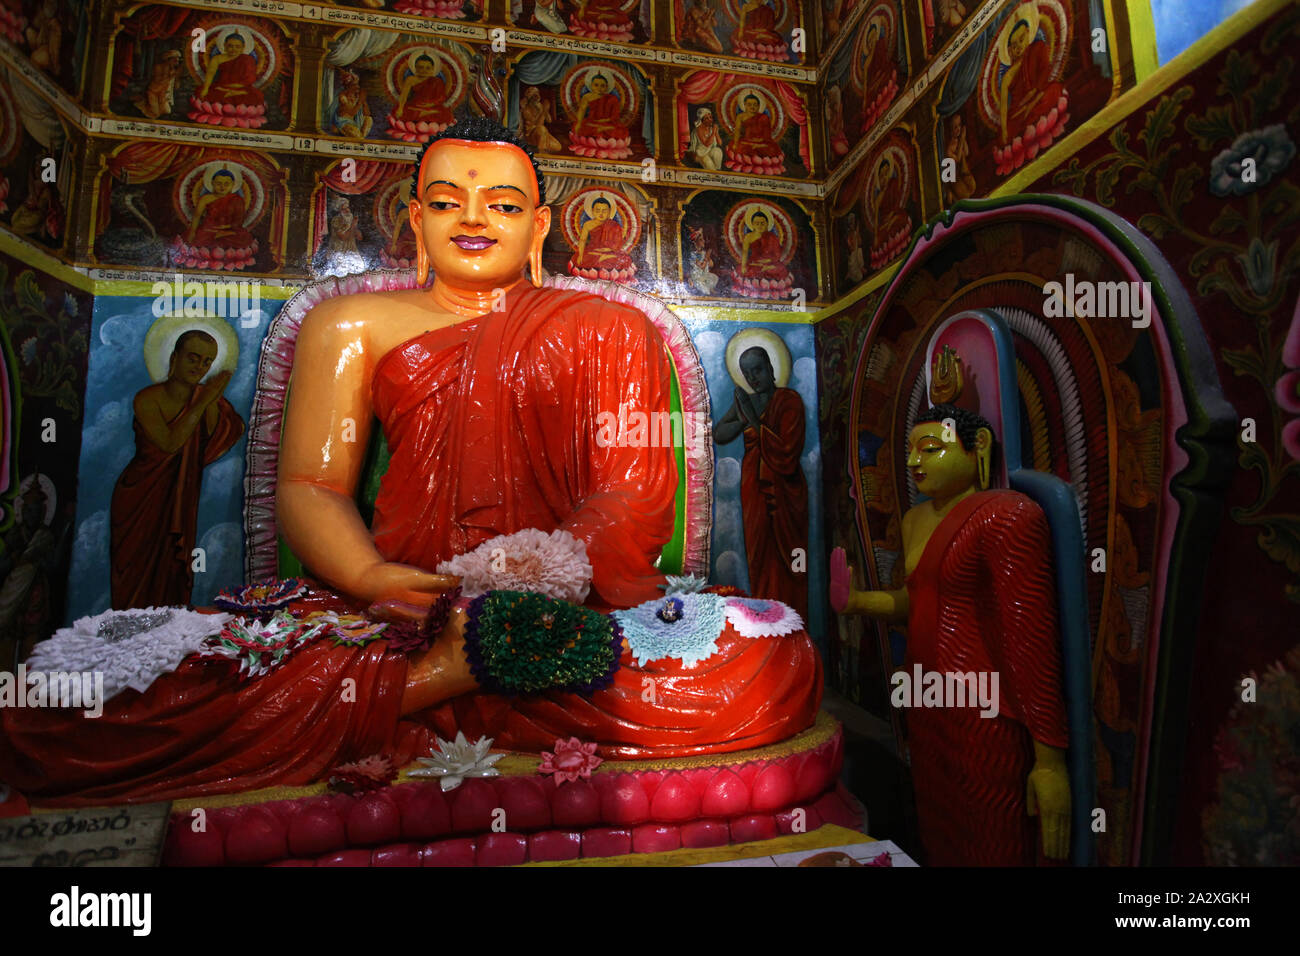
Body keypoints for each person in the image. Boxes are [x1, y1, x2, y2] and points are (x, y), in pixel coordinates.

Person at [0, 119, 820, 805]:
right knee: (66, 698)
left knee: (769, 656)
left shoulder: (611, 329)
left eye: (502, 203)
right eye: (446, 200)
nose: (474, 217)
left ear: (538, 228)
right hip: (399, 607)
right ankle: (453, 673)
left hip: (563, 608)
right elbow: (311, 488)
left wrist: (534, 581)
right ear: (415, 220)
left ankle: (469, 666)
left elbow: (633, 494)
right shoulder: (352, 325)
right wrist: (376, 580)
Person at [830, 405, 1070, 865]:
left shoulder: (1007, 516)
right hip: (926, 699)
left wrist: (1049, 762)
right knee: (938, 824)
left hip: (984, 708)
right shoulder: (916, 520)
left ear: (977, 447)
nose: (916, 463)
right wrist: (858, 602)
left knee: (991, 832)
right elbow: (915, 600)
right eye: (911, 454)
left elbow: (1032, 640)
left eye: (932, 449)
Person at [109, 330, 244, 610]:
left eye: (207, 362)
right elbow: (170, 443)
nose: (199, 367)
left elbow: (217, 439)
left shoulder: (208, 400)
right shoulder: (148, 399)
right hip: (141, 496)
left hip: (181, 497)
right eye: (193, 358)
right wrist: (204, 401)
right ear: (174, 357)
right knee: (136, 571)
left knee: (173, 569)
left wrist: (208, 402)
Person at [714, 346, 808, 618]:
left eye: (757, 369)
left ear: (770, 367)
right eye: (747, 373)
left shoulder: (789, 400)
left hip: (786, 493)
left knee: (791, 561)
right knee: (760, 557)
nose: (753, 378)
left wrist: (751, 419)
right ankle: (766, 619)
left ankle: (792, 622)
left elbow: (788, 453)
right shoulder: (749, 401)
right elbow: (720, 433)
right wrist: (742, 413)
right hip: (754, 488)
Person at [993, 14, 1069, 174]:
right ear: (1009, 50)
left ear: (1028, 33)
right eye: (1013, 46)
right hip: (1019, 113)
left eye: (1021, 40)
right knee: (1003, 134)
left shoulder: (1038, 49)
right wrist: (1006, 131)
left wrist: (1032, 101)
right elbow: (1005, 110)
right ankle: (1030, 132)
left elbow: (1043, 79)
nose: (1018, 47)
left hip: (1039, 99)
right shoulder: (1008, 76)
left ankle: (1029, 133)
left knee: (1054, 90)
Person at [189, 31, 266, 128]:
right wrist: (206, 88)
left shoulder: (247, 60)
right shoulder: (217, 59)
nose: (233, 49)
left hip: (242, 89)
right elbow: (210, 75)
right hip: (220, 87)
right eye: (230, 46)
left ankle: (222, 112)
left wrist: (233, 91)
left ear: (243, 47)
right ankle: (227, 112)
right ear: (224, 46)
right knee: (200, 92)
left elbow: (250, 79)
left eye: (237, 47)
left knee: (257, 96)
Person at [568, 196, 635, 281]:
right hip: (593, 251)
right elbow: (582, 240)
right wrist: (580, 255)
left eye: (604, 211)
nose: (601, 213)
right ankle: (599, 265)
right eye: (598, 210)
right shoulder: (588, 224)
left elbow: (618, 244)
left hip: (610, 252)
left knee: (625, 259)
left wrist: (606, 251)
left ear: (610, 212)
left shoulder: (614, 225)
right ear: (592, 211)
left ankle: (604, 262)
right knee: (578, 258)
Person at [389, 54, 455, 141]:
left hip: (432, 107)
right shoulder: (411, 80)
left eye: (427, 68)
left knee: (445, 114)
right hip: (414, 106)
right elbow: (403, 96)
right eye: (420, 67)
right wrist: (400, 108)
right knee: (398, 111)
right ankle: (424, 118)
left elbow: (441, 97)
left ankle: (421, 118)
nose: (424, 70)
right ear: (415, 68)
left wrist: (430, 104)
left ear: (433, 69)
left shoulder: (437, 81)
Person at [569, 73, 630, 159]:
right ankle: (600, 135)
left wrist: (603, 122)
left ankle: (598, 135)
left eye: (602, 86)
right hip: (592, 122)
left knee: (622, 131)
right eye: (596, 85)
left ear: (607, 87)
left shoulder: (612, 99)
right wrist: (579, 123)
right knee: (578, 126)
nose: (599, 88)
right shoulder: (587, 97)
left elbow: (615, 117)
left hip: (608, 123)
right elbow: (581, 111)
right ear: (591, 85)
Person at [735, 210, 792, 296]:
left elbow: (777, 255)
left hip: (770, 262)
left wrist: (767, 262)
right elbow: (745, 252)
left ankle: (764, 283)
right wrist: (743, 266)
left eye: (762, 223)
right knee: (742, 269)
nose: (760, 226)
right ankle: (762, 284)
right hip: (754, 263)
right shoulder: (748, 237)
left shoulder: (772, 237)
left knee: (781, 268)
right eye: (757, 223)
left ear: (767, 224)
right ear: (752, 225)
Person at [726, 93, 784, 175]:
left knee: (772, 148)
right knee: (738, 147)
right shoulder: (741, 116)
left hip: (762, 143)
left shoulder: (764, 117)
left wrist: (760, 145)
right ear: (744, 105)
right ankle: (758, 161)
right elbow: (737, 131)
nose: (752, 107)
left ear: (759, 106)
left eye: (755, 105)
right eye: (749, 104)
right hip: (747, 141)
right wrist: (735, 143)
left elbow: (767, 136)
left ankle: (751, 161)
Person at [133, 50, 183, 120]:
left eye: (177, 61)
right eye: (174, 60)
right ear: (168, 60)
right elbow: (158, 82)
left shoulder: (172, 70)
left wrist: (176, 77)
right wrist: (171, 76)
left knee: (167, 111)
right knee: (155, 113)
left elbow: (176, 87)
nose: (176, 63)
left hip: (162, 94)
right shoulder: (158, 67)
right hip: (153, 92)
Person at [519, 85, 562, 153]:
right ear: (530, 97)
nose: (536, 98)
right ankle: (541, 151)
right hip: (531, 135)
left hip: (542, 133)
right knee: (541, 129)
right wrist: (544, 110)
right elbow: (538, 124)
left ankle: (541, 147)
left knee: (557, 147)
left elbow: (549, 120)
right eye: (534, 96)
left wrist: (546, 110)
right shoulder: (526, 109)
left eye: (537, 95)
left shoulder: (540, 106)